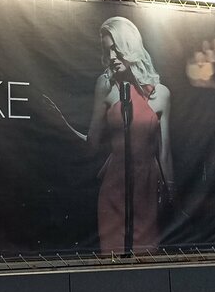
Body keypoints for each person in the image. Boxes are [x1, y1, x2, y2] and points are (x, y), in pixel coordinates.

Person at [47, 16, 173, 254]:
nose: (112, 56)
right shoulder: (105, 86)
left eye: (116, 48)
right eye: (108, 51)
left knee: (147, 258)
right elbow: (92, 144)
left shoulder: (161, 94)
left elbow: (165, 153)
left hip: (147, 186)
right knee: (113, 256)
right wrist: (62, 125)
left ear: (130, 46)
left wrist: (172, 194)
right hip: (114, 185)